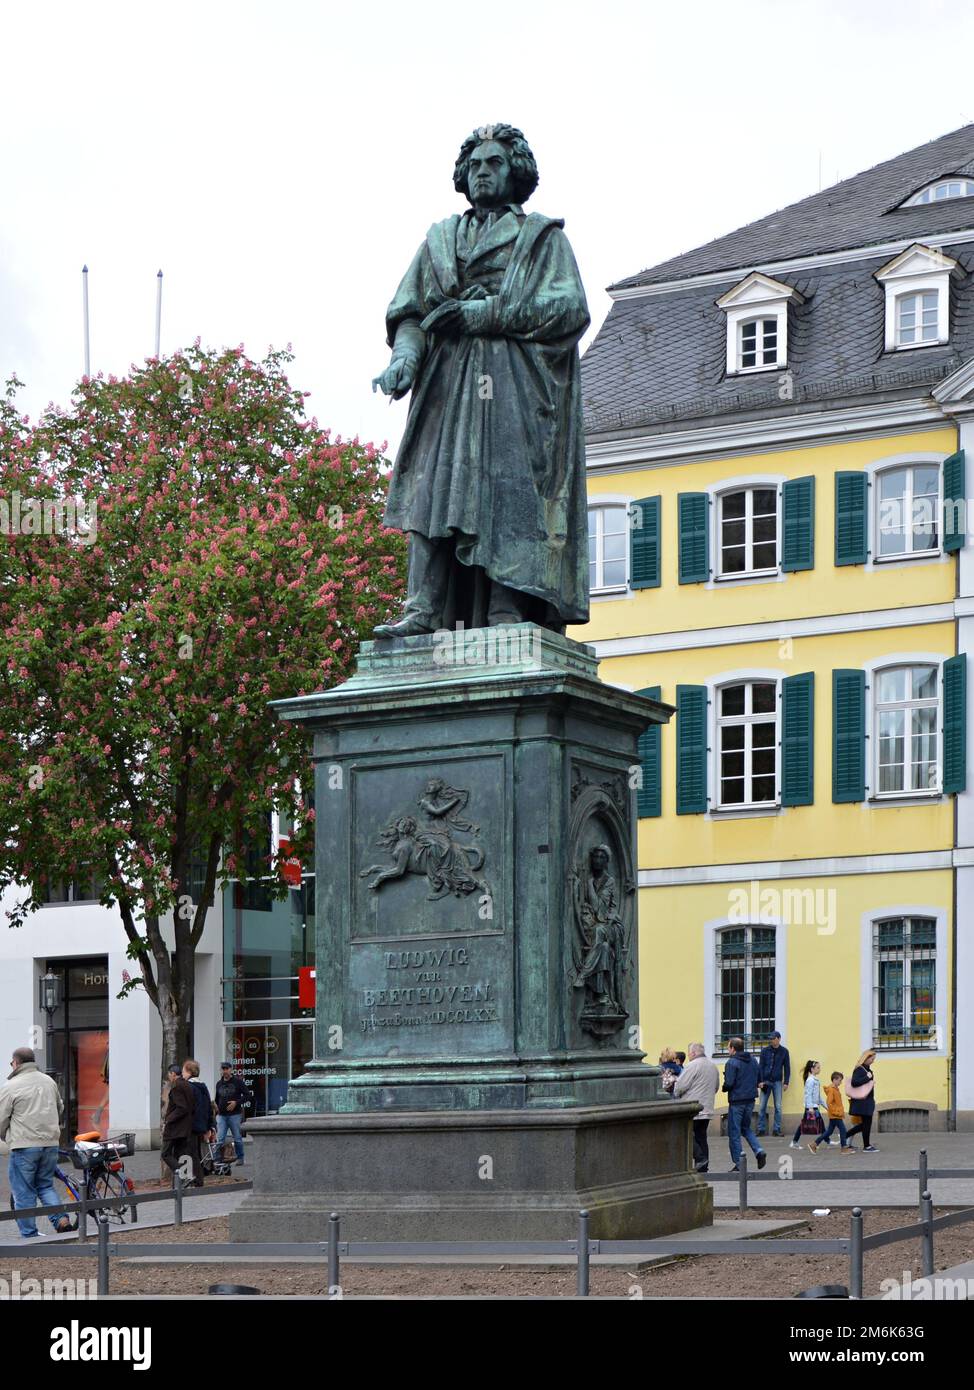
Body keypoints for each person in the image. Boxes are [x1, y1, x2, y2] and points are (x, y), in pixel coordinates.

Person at [372, 123, 590, 637]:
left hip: (515, 389)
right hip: (445, 387)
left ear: (515, 172)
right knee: (431, 488)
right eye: (474, 166)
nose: (482, 173)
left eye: (493, 163)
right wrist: (404, 357)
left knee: (509, 489)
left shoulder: (541, 239)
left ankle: (507, 611)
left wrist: (485, 315)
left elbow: (568, 308)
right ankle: (421, 610)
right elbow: (410, 311)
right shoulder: (441, 240)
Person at [0, 1046, 72, 1238]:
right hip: (50, 1144)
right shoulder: (49, 1082)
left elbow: (1, 1118)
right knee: (45, 1185)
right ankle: (61, 1220)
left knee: (23, 1192)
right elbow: (60, 1108)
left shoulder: (11, 1086)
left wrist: (4, 1137)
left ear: (16, 1063)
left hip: (24, 1145)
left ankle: (29, 1234)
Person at [673, 1043, 719, 1173]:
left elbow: (680, 1086)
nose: (688, 1056)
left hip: (692, 1108)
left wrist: (676, 1094)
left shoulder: (692, 1066)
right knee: (701, 1136)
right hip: (707, 1107)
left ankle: (700, 1158)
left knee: (686, 1134)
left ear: (693, 1053)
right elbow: (716, 1087)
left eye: (689, 1054)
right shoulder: (712, 1066)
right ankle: (703, 1165)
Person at [722, 1038, 767, 1172]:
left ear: (733, 1049)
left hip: (737, 1101)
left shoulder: (732, 1062)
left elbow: (729, 1083)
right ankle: (759, 1150)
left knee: (734, 1132)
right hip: (750, 1099)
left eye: (729, 1047)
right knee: (746, 1128)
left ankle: (738, 1162)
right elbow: (759, 1078)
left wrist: (724, 1087)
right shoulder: (753, 1060)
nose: (728, 1050)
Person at [161, 1061, 196, 1183]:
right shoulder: (187, 1085)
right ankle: (180, 1182)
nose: (169, 1078)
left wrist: (169, 1119)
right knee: (179, 1153)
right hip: (184, 1127)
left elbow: (182, 1107)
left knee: (165, 1154)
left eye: (169, 1075)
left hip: (175, 1127)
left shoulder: (177, 1086)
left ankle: (183, 1174)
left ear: (173, 1074)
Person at [184, 1059, 215, 1186]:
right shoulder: (203, 1086)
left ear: (190, 1072)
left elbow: (188, 1107)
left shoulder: (189, 1087)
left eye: (184, 1071)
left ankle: (195, 1179)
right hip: (201, 1124)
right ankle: (197, 1178)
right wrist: (209, 1126)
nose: (183, 1074)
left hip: (191, 1124)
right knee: (195, 1152)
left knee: (190, 1153)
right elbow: (208, 1106)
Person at [809, 1071, 855, 1154]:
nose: (840, 1082)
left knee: (829, 1132)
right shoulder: (831, 1089)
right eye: (839, 1080)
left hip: (835, 1115)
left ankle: (814, 1144)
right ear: (834, 1080)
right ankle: (844, 1148)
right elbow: (829, 1103)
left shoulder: (835, 1089)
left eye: (841, 1080)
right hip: (835, 1115)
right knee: (843, 1130)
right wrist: (836, 1112)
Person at [214, 1062, 250, 1166]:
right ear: (220, 1070)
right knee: (220, 1138)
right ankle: (217, 1159)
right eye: (223, 1069)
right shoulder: (218, 1084)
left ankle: (240, 1157)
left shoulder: (238, 1082)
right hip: (221, 1115)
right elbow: (217, 1098)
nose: (225, 1071)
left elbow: (247, 1095)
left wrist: (236, 1102)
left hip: (235, 1114)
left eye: (227, 1069)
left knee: (237, 1137)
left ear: (231, 1069)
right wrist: (216, 1108)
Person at [756, 1031, 791, 1137]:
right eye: (770, 1038)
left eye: (773, 1038)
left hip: (777, 1082)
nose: (771, 1040)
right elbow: (760, 1067)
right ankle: (761, 1129)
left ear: (779, 1039)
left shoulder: (784, 1051)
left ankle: (777, 1129)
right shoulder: (765, 1051)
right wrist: (759, 1081)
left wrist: (786, 1082)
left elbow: (787, 1068)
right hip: (765, 1081)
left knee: (778, 1106)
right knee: (762, 1106)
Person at [845, 1050, 879, 1152]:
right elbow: (855, 1082)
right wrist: (867, 1077)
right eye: (872, 1059)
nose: (873, 1061)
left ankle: (847, 1135)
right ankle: (866, 1146)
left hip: (867, 1100)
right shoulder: (859, 1069)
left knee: (865, 1124)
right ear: (866, 1058)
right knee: (866, 1124)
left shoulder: (867, 1069)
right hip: (863, 1102)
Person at [789, 1060, 826, 1148]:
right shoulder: (810, 1080)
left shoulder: (815, 1080)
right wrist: (810, 1108)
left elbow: (818, 1096)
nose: (819, 1069)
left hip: (814, 1106)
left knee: (820, 1123)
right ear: (812, 1069)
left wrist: (826, 1106)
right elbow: (808, 1095)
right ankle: (794, 1142)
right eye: (818, 1067)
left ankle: (827, 1140)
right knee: (804, 1125)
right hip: (811, 1108)